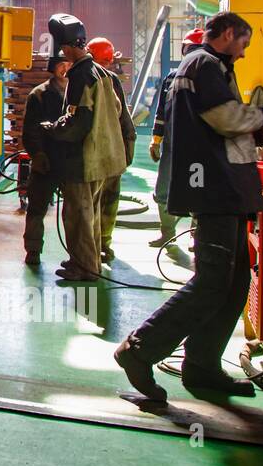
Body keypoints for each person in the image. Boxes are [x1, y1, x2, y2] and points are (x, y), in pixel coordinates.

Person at [114, 12, 263, 401]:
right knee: (211, 283)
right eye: (243, 44)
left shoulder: (207, 66)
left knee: (235, 283)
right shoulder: (204, 64)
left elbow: (219, 124)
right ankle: (139, 350)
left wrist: (258, 132)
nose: (243, 54)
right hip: (214, 190)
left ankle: (202, 366)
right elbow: (224, 118)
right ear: (227, 34)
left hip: (225, 189)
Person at [41, 14, 128, 282]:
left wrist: (54, 128)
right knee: (90, 214)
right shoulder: (102, 73)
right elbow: (114, 109)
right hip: (105, 157)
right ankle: (86, 261)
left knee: (78, 215)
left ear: (65, 48)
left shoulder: (79, 75)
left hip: (84, 160)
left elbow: (78, 122)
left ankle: (85, 268)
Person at [148, 27, 205, 249]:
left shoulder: (208, 78)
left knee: (197, 191)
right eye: (189, 48)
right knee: (163, 191)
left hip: (198, 150)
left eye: (195, 48)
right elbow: (161, 111)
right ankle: (167, 233)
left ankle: (196, 237)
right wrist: (156, 139)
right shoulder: (171, 78)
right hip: (172, 148)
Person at [87, 37, 137, 263]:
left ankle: (100, 243)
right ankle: (101, 243)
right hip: (111, 150)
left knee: (98, 199)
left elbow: (123, 119)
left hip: (102, 151)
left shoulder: (95, 79)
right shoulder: (107, 78)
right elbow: (125, 120)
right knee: (105, 199)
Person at [20, 54, 70, 267]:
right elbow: (30, 130)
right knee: (37, 208)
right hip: (46, 160)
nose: (65, 69)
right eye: (61, 65)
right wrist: (38, 155)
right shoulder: (39, 95)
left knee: (75, 212)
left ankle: (77, 255)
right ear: (53, 68)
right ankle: (33, 249)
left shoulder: (79, 94)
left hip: (70, 161)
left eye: (69, 64)